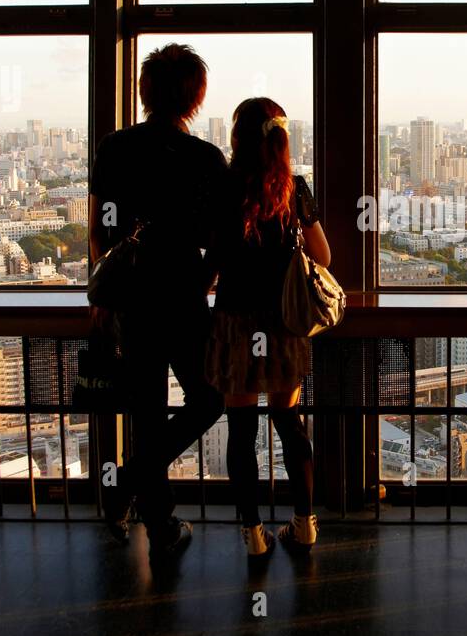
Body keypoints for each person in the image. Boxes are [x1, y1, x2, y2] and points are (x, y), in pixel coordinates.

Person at [89, 43, 227, 559]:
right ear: (196, 97)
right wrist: (204, 278)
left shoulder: (115, 148)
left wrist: (104, 291)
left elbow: (101, 227)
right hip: (184, 297)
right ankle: (138, 498)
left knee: (145, 411)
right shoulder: (205, 159)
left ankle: (149, 510)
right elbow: (220, 239)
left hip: (131, 301)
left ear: (144, 91)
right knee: (208, 400)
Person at [204, 98, 331, 560]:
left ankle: (253, 535)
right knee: (288, 423)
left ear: (238, 137)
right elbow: (324, 257)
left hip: (236, 322)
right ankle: (304, 524)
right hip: (284, 325)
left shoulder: (223, 188)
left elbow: (213, 260)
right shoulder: (295, 189)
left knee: (240, 431)